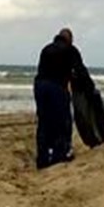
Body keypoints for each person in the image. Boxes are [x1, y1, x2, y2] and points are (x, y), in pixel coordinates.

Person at [34, 27, 86, 170]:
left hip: (40, 86)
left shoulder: (46, 49)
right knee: (62, 121)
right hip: (57, 87)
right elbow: (81, 71)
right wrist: (88, 87)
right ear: (70, 39)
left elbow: (41, 70)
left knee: (44, 121)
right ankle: (60, 154)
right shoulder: (70, 50)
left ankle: (42, 158)